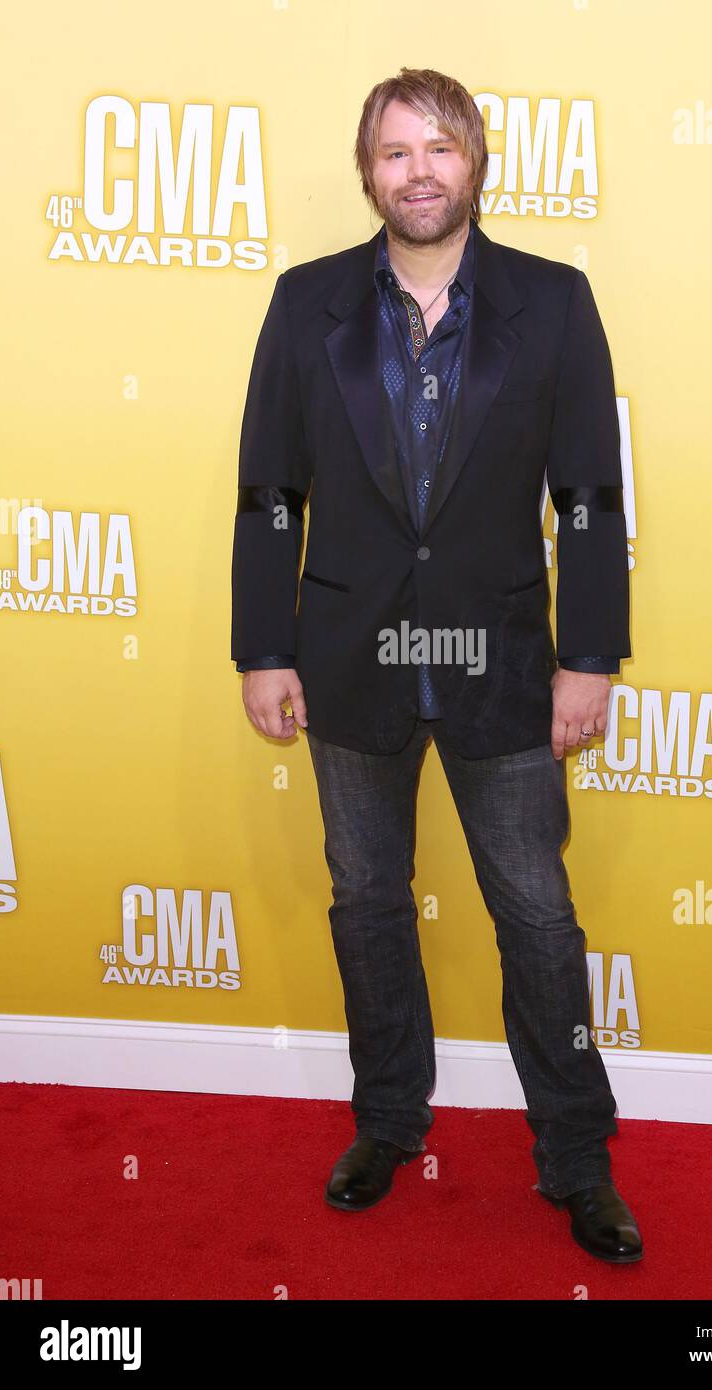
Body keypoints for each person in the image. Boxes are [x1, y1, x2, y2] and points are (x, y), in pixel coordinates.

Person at [231, 66, 641, 1263]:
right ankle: (385, 1122)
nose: (418, 171)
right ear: (368, 172)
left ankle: (574, 1156)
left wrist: (590, 656)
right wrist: (264, 646)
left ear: (476, 163)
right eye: (396, 151)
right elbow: (269, 494)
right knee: (366, 907)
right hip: (348, 662)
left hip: (504, 662)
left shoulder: (552, 301)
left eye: (439, 149)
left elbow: (588, 497)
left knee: (538, 921)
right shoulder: (305, 302)